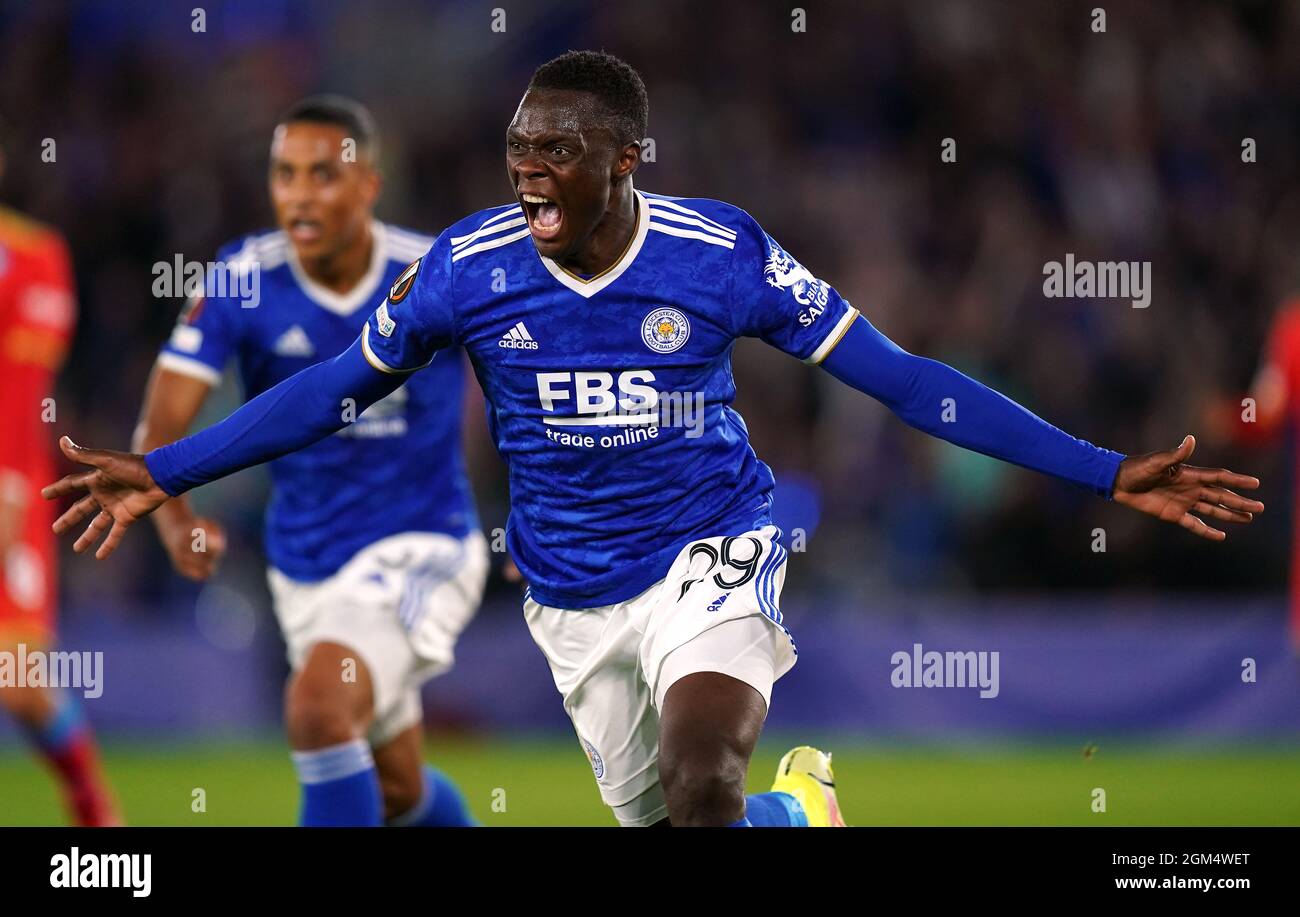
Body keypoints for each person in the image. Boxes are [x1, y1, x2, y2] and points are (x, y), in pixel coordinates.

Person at [43, 52, 1263, 827]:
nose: (530, 171)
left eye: (557, 152)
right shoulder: (469, 268)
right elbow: (330, 391)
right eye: (520, 151)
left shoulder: (720, 252)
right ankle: (806, 814)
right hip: (571, 590)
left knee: (701, 777)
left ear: (626, 161)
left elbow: (906, 382)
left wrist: (1105, 468)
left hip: (711, 546)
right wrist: (164, 466)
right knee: (676, 813)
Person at [131, 96, 486, 827]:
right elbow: (161, 420)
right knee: (396, 794)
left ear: (369, 186)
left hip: (420, 545)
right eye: (285, 174)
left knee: (318, 707)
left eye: (323, 175)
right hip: (303, 567)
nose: (299, 193)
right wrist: (176, 524)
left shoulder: (436, 273)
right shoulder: (241, 278)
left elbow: (521, 389)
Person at [0, 139, 120, 825]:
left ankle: (92, 806)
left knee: (18, 682)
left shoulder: (33, 256)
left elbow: (21, 396)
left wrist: (12, 492)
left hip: (7, 480)